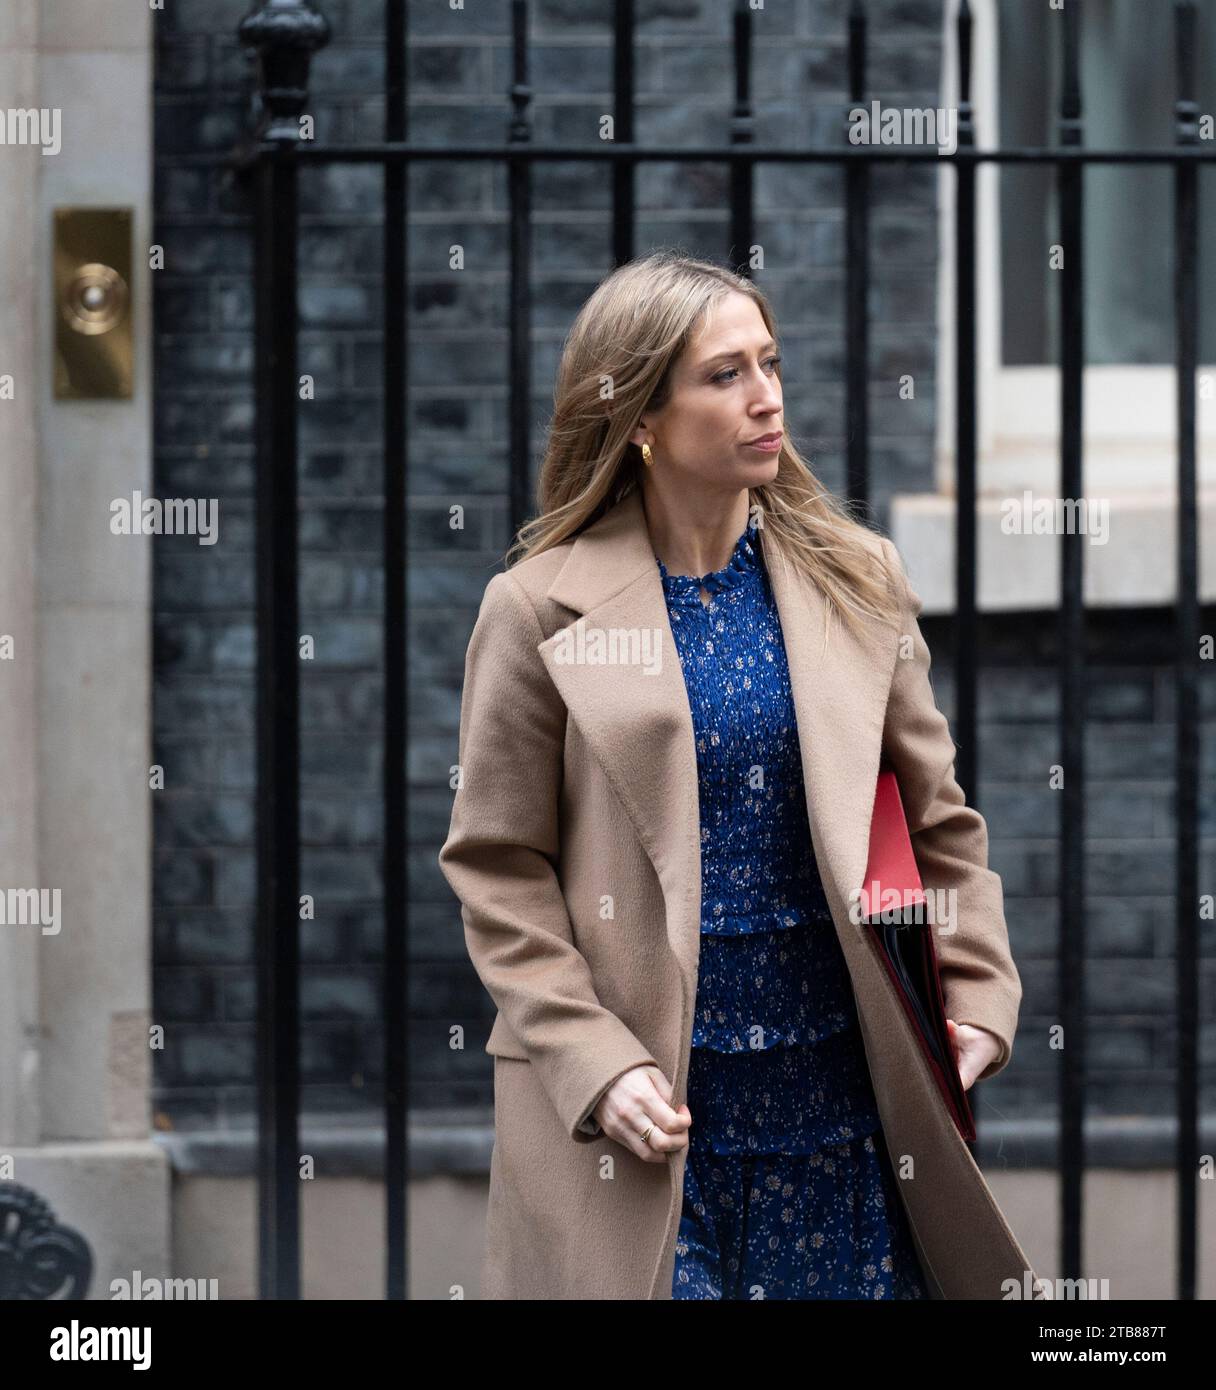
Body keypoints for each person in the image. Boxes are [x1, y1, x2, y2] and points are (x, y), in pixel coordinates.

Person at [438, 250, 1033, 1301]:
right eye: (724, 375)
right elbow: (497, 866)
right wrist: (593, 1059)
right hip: (654, 1133)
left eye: (769, 363)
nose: (767, 398)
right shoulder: (536, 608)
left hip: (848, 1120)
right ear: (640, 420)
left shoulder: (855, 579)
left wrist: (979, 991)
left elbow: (933, 818)